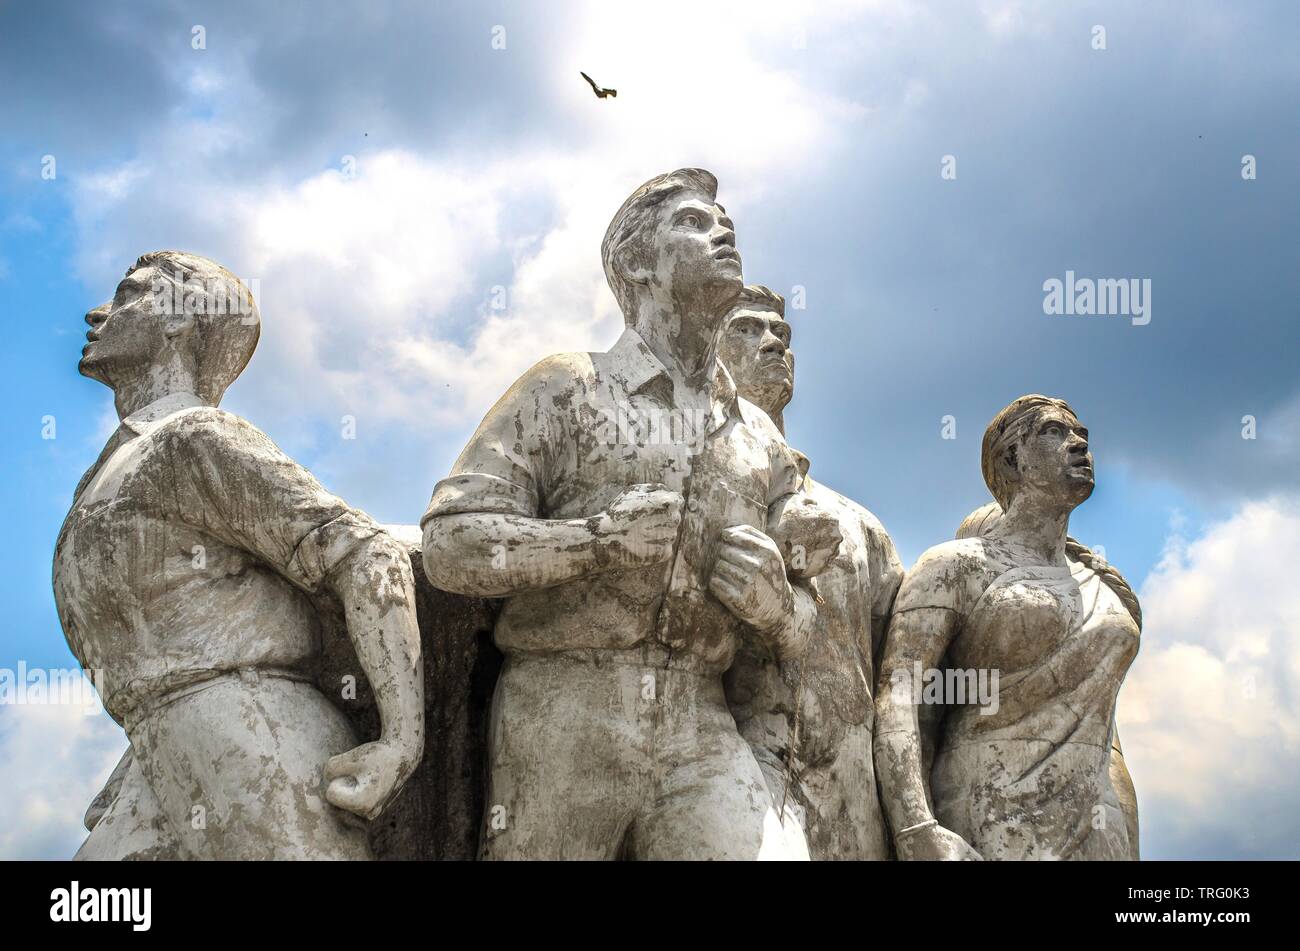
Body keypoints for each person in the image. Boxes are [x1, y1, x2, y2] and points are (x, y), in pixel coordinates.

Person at [421, 170, 819, 859]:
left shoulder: (760, 435)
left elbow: (807, 620)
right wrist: (596, 542)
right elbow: (450, 542)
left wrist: (779, 607)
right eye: (694, 222)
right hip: (567, 702)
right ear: (637, 262)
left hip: (703, 720)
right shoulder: (567, 386)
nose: (723, 229)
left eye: (725, 220)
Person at [56, 251, 424, 859]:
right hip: (162, 757)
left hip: (255, 746)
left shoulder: (195, 439)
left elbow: (368, 556)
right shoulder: (111, 469)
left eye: (129, 295)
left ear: (179, 321)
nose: (100, 313)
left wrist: (402, 740)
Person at [874, 395, 1141, 860]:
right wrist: (915, 827)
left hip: (1101, 823)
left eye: (1083, 436)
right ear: (1012, 458)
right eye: (1055, 433)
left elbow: (1108, 740)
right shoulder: (955, 566)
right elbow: (899, 699)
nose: (1079, 445)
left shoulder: (1108, 590)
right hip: (992, 809)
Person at [717, 284, 904, 860]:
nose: (774, 341)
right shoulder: (694, 491)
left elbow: (899, 668)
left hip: (851, 788)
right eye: (748, 328)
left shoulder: (857, 523)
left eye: (783, 333)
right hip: (733, 766)